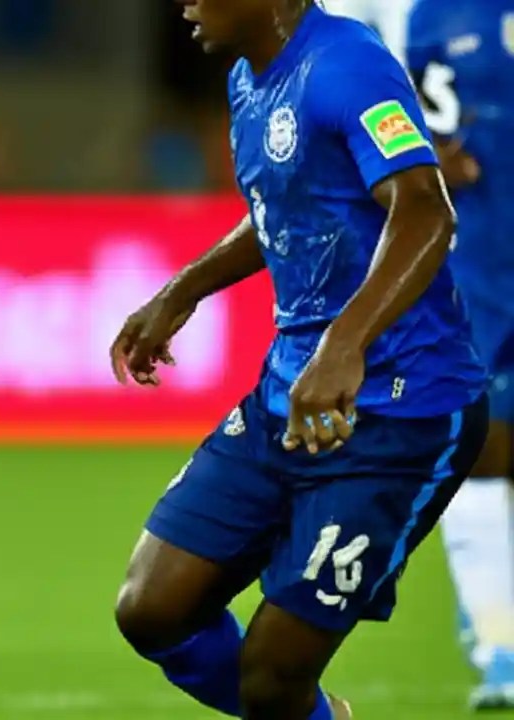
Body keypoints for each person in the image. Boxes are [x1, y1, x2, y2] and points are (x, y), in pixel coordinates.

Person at [111, 1, 489, 718]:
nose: (184, 3)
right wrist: (185, 288)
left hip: (399, 414)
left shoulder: (347, 63)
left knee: (271, 676)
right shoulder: (249, 80)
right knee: (151, 609)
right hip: (289, 396)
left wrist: (344, 344)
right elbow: (284, 208)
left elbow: (424, 208)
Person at [408, 0, 514, 708]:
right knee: (481, 445)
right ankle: (499, 642)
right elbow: (383, 103)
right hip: (477, 259)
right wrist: (420, 150)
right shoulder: (414, 12)